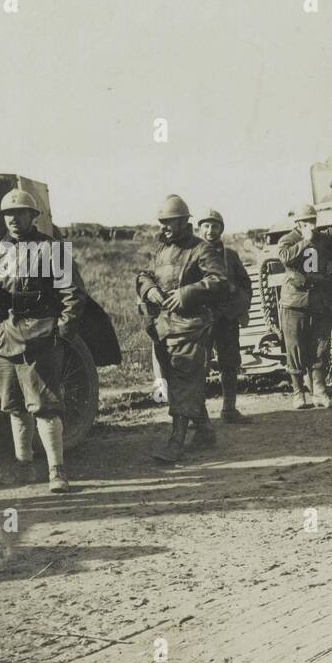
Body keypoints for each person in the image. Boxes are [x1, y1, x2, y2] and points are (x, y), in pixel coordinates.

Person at [0, 188, 87, 493]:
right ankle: (23, 467)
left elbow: (73, 296)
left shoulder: (52, 250)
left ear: (32, 216)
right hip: (2, 338)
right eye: (8, 214)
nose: (13, 219)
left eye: (20, 213)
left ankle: (57, 471)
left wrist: (62, 331)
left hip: (38, 336)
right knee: (14, 406)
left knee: (45, 405)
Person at [136, 194, 227, 463]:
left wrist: (187, 294)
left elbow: (220, 280)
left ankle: (176, 442)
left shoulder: (201, 249)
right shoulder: (162, 250)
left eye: (169, 222)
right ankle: (205, 432)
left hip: (190, 327)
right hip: (163, 328)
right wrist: (149, 288)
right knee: (179, 379)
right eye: (162, 222)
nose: (163, 227)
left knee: (183, 380)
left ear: (184, 222)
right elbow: (145, 274)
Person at [277, 204, 332, 408]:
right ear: (297, 223)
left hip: (319, 300)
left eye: (313, 221)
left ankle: (320, 392)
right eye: (305, 222)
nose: (310, 225)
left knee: (321, 347)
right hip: (294, 302)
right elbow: (285, 258)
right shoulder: (288, 240)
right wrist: (305, 241)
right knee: (295, 348)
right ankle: (298, 394)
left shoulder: (323, 239)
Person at [197, 209, 252, 424]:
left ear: (221, 229)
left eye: (215, 226)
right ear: (200, 228)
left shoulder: (230, 256)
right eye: (206, 226)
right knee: (199, 365)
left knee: (229, 363)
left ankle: (229, 410)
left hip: (227, 319)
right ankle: (199, 417)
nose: (211, 230)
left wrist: (240, 307)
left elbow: (245, 284)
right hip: (202, 318)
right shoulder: (194, 254)